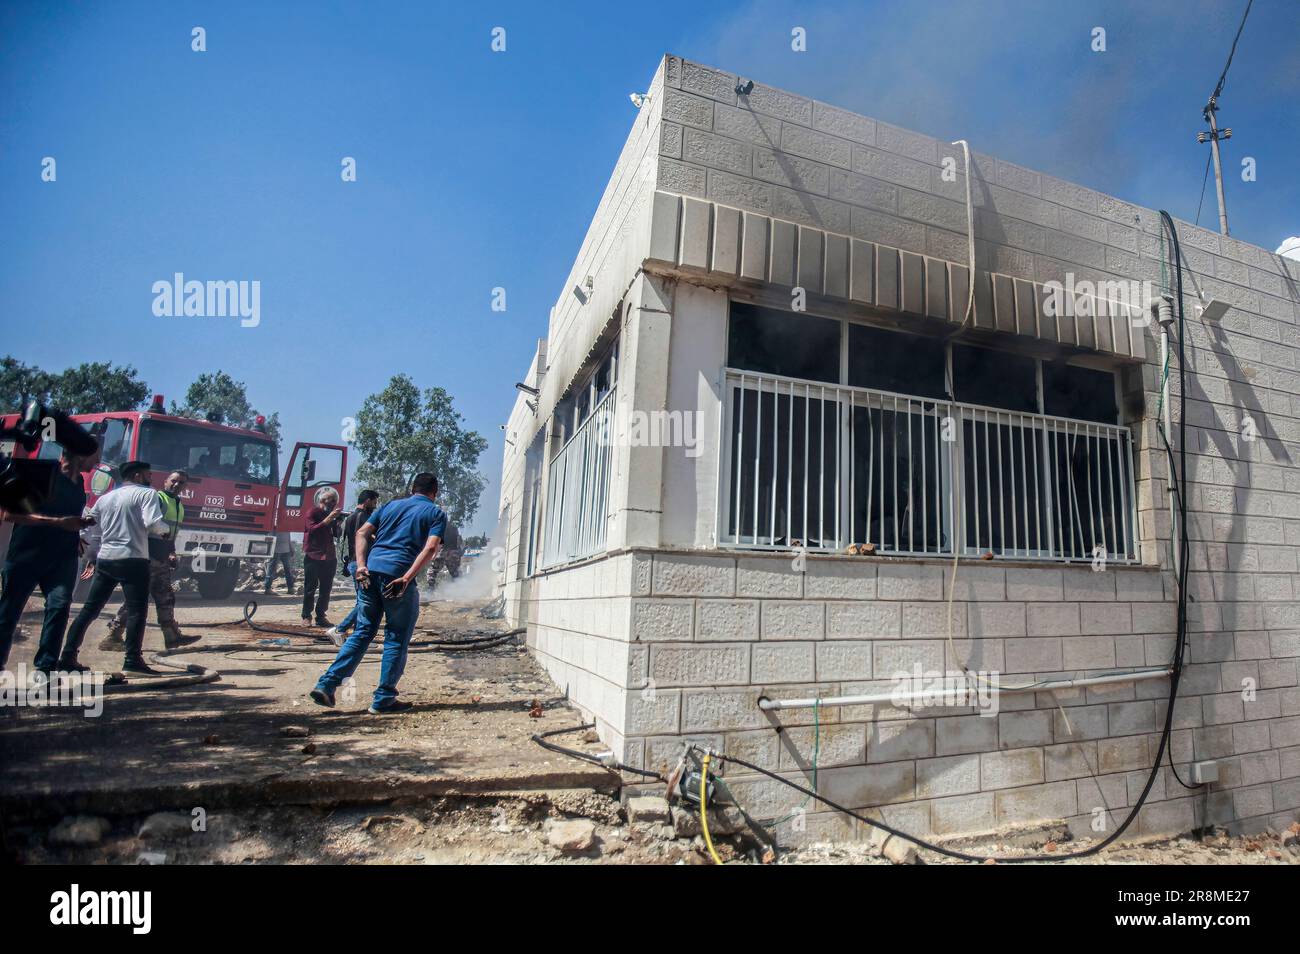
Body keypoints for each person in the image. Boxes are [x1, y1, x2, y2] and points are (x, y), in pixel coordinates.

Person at [310, 472, 446, 714]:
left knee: (362, 632)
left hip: (370, 574)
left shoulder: (391, 506)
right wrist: (406, 578)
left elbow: (361, 533)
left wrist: (361, 566)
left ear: (412, 489)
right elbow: (432, 547)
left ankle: (326, 685)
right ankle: (383, 698)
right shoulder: (435, 512)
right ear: (434, 492)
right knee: (396, 636)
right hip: (397, 578)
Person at [62, 461, 170, 674]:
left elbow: (91, 525)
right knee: (137, 610)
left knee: (90, 609)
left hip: (107, 559)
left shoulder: (105, 498)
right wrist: (166, 532)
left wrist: (90, 550)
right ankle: (132, 660)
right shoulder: (147, 494)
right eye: (148, 474)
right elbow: (153, 523)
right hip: (133, 559)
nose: (151, 478)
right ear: (138, 476)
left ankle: (67, 655)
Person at [0, 447, 98, 671]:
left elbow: (68, 515)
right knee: (9, 612)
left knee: (60, 606)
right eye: (95, 455)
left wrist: (77, 531)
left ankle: (45, 668)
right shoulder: (38, 474)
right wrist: (58, 523)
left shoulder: (79, 482)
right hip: (27, 555)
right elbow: (10, 514)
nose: (99, 460)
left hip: (63, 556)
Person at [100, 470, 200, 651]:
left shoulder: (178, 504)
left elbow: (171, 534)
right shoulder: (158, 499)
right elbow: (144, 527)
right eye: (174, 481)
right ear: (166, 481)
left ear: (186, 487)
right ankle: (113, 635)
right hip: (147, 558)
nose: (176, 485)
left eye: (181, 483)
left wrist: (172, 552)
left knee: (165, 597)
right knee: (138, 598)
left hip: (161, 559)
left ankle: (171, 636)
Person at [324, 489, 379, 646]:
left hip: (354, 562)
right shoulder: (365, 518)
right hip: (362, 563)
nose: (375, 506)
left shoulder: (350, 517)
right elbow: (369, 537)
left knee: (362, 600)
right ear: (367, 500)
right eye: (374, 502)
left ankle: (358, 635)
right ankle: (340, 630)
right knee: (366, 601)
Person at [301, 486, 343, 627]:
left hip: (329, 556)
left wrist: (337, 523)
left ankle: (321, 615)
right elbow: (312, 530)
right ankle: (306, 616)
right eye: (330, 502)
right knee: (310, 588)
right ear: (323, 500)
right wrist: (328, 519)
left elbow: (337, 534)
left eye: (334, 502)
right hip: (313, 555)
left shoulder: (331, 515)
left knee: (326, 588)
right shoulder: (312, 513)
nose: (332, 505)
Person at [425, 520, 462, 591]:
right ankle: (459, 591)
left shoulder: (439, 527)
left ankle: (430, 588)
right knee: (455, 573)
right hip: (454, 552)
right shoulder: (454, 528)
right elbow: (459, 542)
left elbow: (437, 541)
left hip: (443, 551)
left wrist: (433, 553)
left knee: (432, 570)